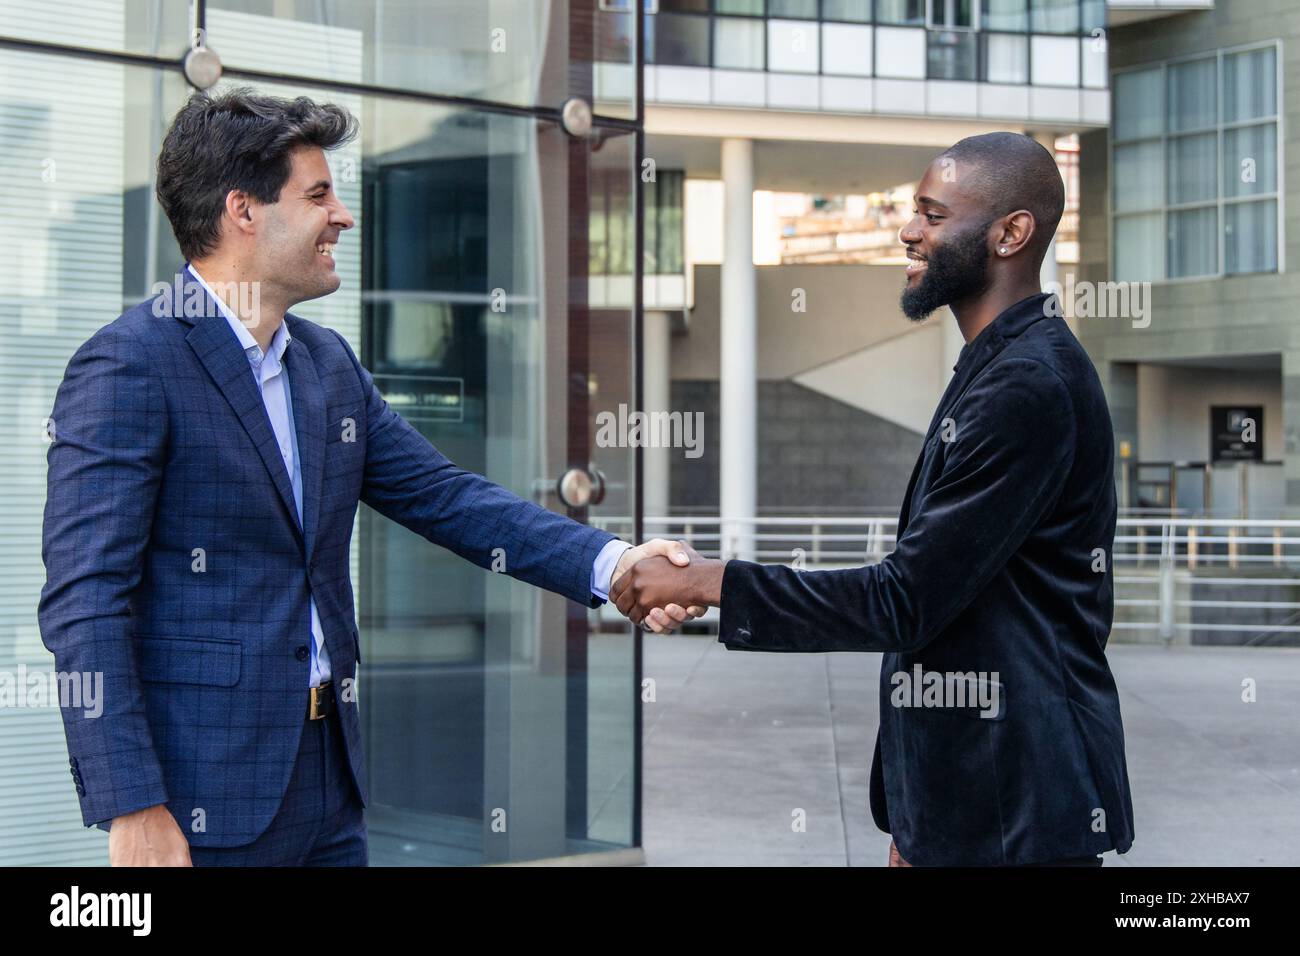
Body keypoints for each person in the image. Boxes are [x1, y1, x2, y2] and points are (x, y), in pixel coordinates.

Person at [38, 88, 693, 867]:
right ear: (243, 211)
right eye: (318, 195)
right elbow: (85, 600)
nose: (343, 216)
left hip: (329, 785)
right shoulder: (130, 363)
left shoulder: (325, 364)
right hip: (197, 802)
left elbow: (447, 498)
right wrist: (132, 804)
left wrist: (613, 564)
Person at [614, 132, 1136, 867]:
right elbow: (959, 608)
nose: (909, 231)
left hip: (1016, 814)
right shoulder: (1002, 365)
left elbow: (905, 599)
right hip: (970, 811)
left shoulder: (1029, 384)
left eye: (932, 213)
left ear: (1011, 233)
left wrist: (707, 582)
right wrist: (919, 821)